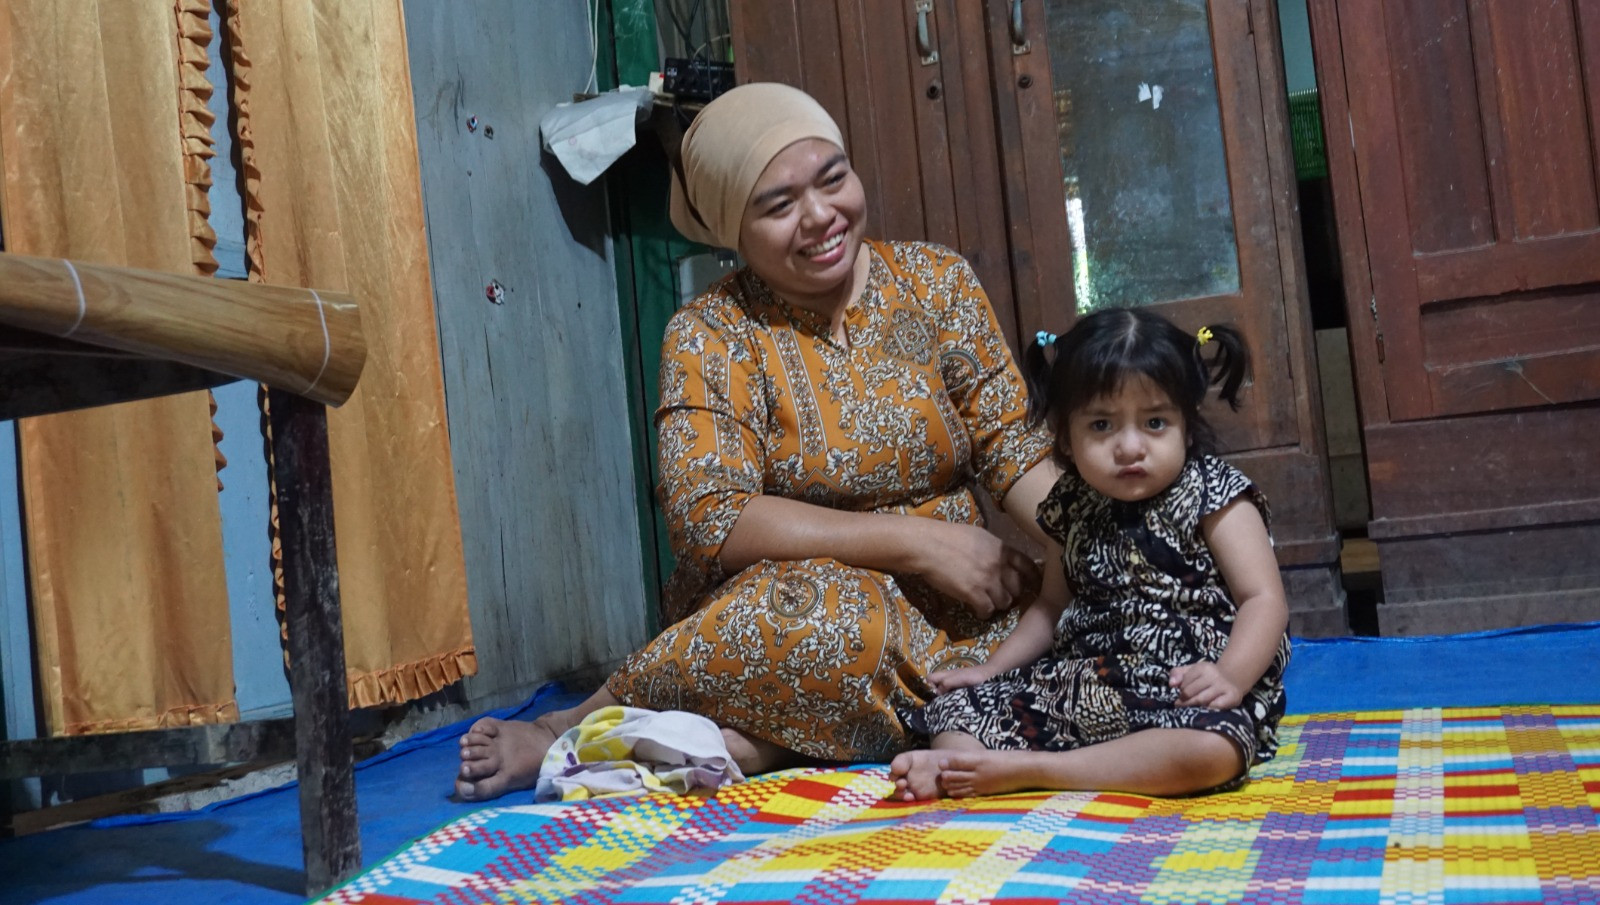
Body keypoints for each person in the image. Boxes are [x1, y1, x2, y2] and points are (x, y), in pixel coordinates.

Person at [455, 82, 1060, 801]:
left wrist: (1104, 540)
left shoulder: (938, 283)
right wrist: (922, 543)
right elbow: (711, 516)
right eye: (778, 206)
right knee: (825, 627)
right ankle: (574, 724)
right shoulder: (709, 332)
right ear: (730, 229)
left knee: (1084, 624)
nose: (821, 215)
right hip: (799, 604)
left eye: (833, 178)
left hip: (962, 604)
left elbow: (1013, 448)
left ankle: (767, 739)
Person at [888, 308, 1291, 800]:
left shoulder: (1216, 494)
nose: (1129, 447)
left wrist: (1230, 676)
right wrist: (991, 670)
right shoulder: (1073, 505)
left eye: (1155, 422)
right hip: (1088, 681)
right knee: (956, 709)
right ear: (1065, 437)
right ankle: (962, 762)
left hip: (1184, 683)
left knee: (1215, 749)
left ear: (1186, 426)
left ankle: (1038, 770)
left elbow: (1263, 600)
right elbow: (1051, 606)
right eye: (1102, 425)